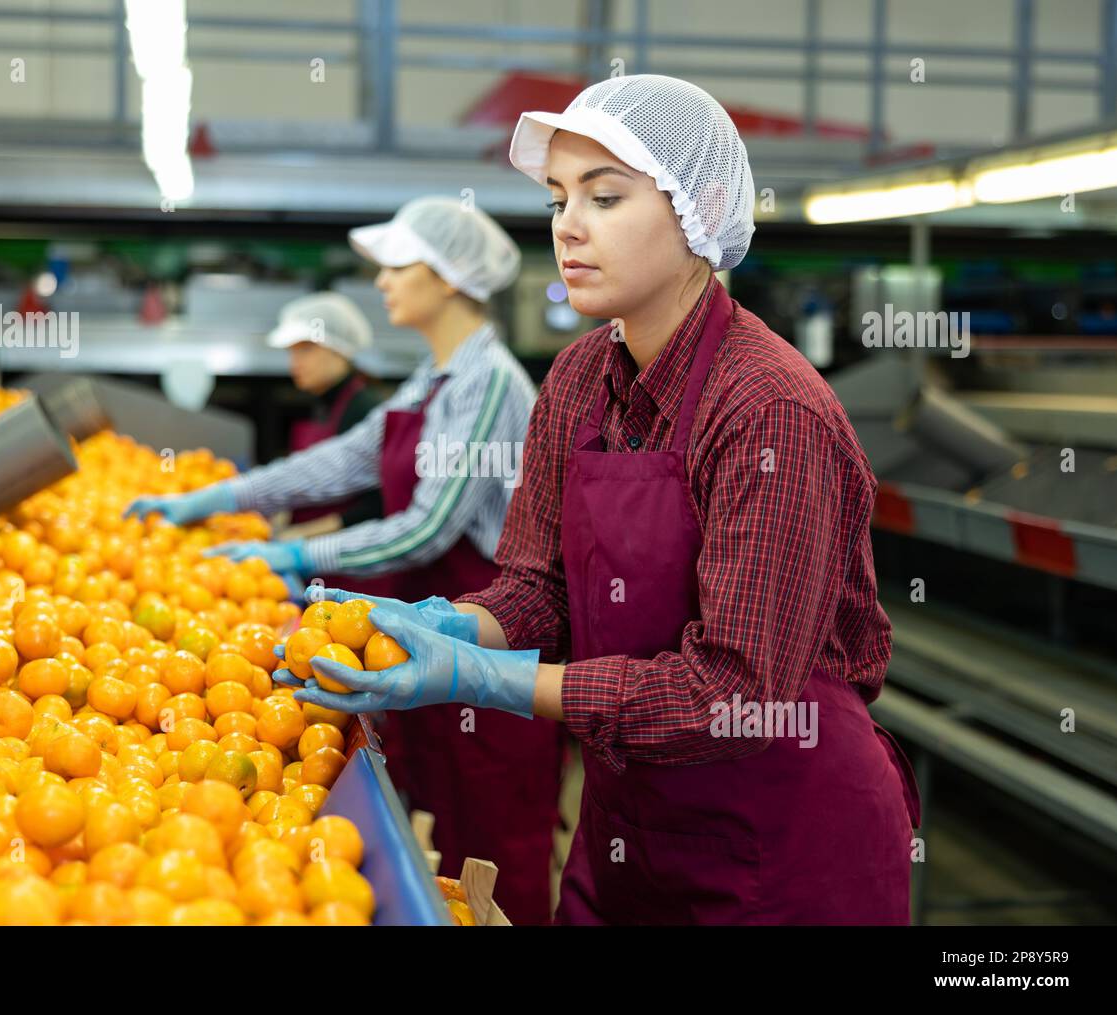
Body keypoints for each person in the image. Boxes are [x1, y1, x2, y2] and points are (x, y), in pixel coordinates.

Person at [290, 75, 922, 926]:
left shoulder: (770, 410)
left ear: (699, 209)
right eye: (557, 199)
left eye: (606, 196)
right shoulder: (581, 377)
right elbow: (535, 586)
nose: (568, 227)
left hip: (781, 835)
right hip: (628, 819)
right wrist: (441, 628)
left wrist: (493, 678)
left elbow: (724, 694)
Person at [124, 195, 566, 925]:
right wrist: (214, 497)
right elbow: (337, 464)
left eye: (398, 265)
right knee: (442, 851)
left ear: (449, 277)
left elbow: (424, 529)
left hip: (484, 651)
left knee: (494, 849)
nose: (382, 280)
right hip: (421, 640)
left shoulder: (487, 386)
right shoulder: (434, 380)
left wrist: (294, 551)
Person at [266, 292, 384, 540]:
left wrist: (303, 535)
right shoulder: (322, 404)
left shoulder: (364, 409)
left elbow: (378, 502)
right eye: (291, 352)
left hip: (348, 566)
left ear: (338, 350)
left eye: (306, 350)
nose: (294, 363)